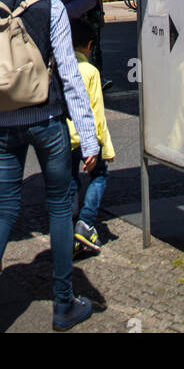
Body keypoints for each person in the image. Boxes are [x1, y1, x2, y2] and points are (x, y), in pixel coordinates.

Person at [0, 0, 101, 334]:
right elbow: (71, 77)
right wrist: (88, 139)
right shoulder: (53, 8)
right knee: (59, 207)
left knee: (3, 212)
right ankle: (62, 304)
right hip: (47, 120)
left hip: (2, 126)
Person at [67, 16, 115, 255]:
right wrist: (104, 147)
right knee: (99, 176)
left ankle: (71, 217)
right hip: (87, 137)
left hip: (65, 138)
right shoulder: (90, 71)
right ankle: (85, 222)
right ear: (88, 45)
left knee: (70, 178)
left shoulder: (61, 67)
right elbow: (96, 111)